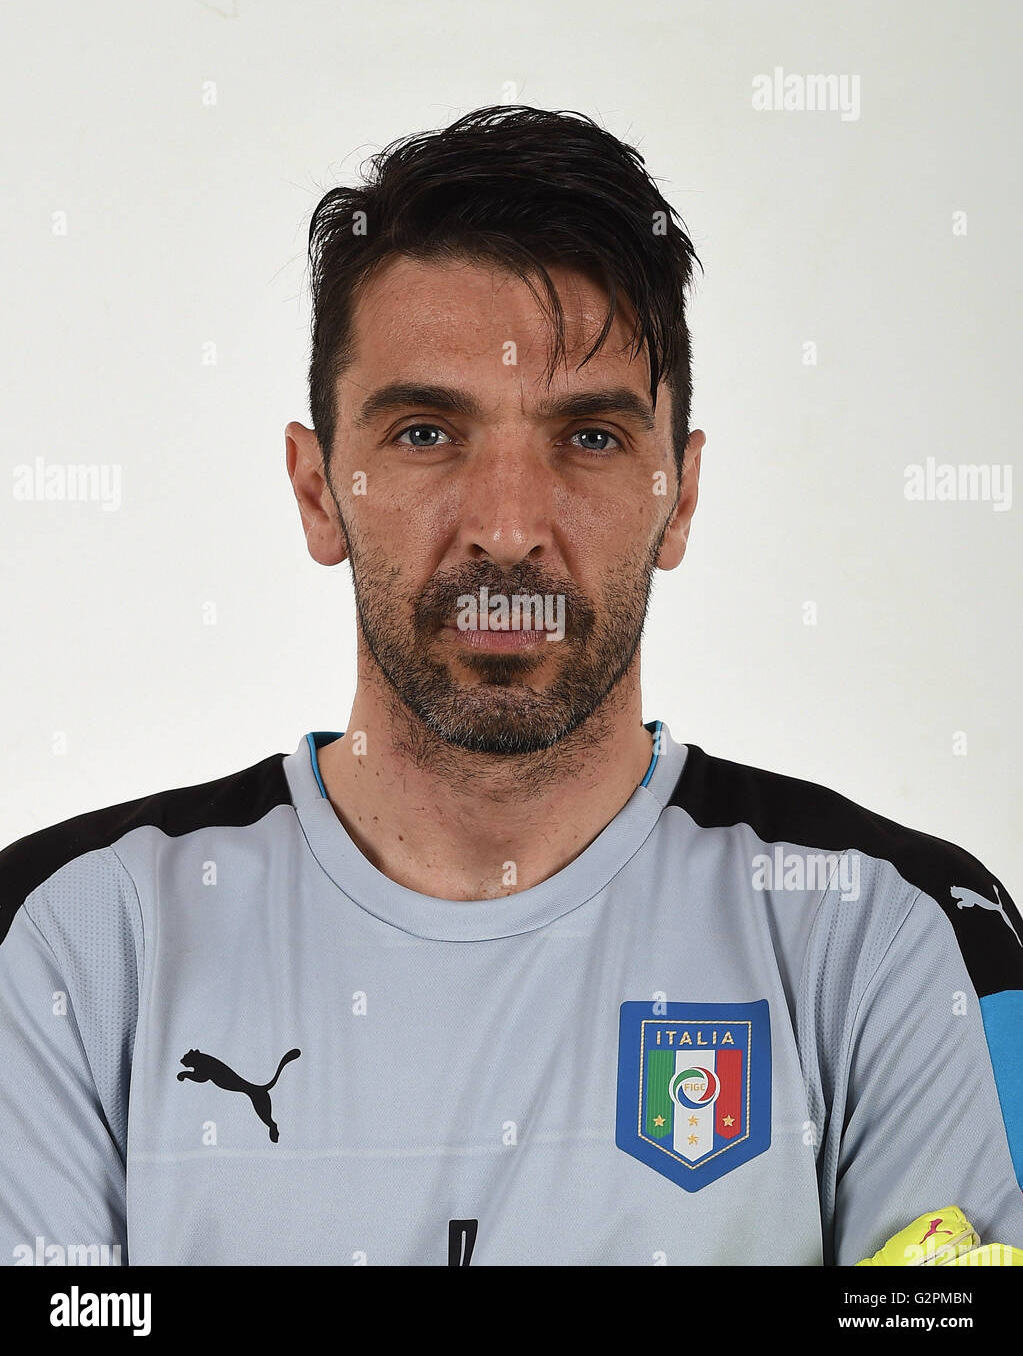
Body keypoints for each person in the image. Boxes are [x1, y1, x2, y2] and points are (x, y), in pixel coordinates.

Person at [2, 105, 1021, 1268]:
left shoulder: (895, 935)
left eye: (588, 437)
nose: (506, 528)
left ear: (678, 495)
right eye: (428, 431)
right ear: (318, 489)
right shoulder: (66, 947)